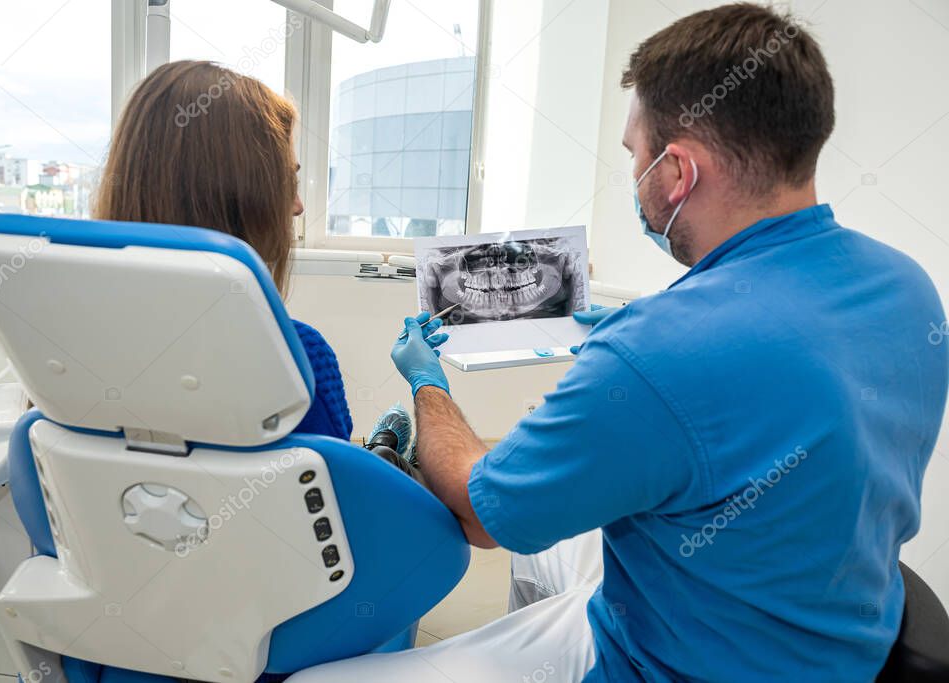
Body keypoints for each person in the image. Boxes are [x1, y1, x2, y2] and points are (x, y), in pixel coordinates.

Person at [290, 4, 949, 682]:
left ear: (678, 173)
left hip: (668, 663)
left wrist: (428, 381)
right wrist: (640, 369)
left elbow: (482, 510)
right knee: (546, 550)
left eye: (636, 156)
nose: (636, 176)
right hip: (836, 637)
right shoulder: (908, 289)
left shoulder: (662, 347)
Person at [94, 60, 445, 465]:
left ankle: (383, 446)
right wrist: (427, 387)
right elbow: (344, 502)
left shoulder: (75, 341)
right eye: (289, 183)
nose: (298, 206)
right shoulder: (296, 360)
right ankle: (389, 452)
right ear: (240, 199)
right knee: (397, 467)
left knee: (376, 455)